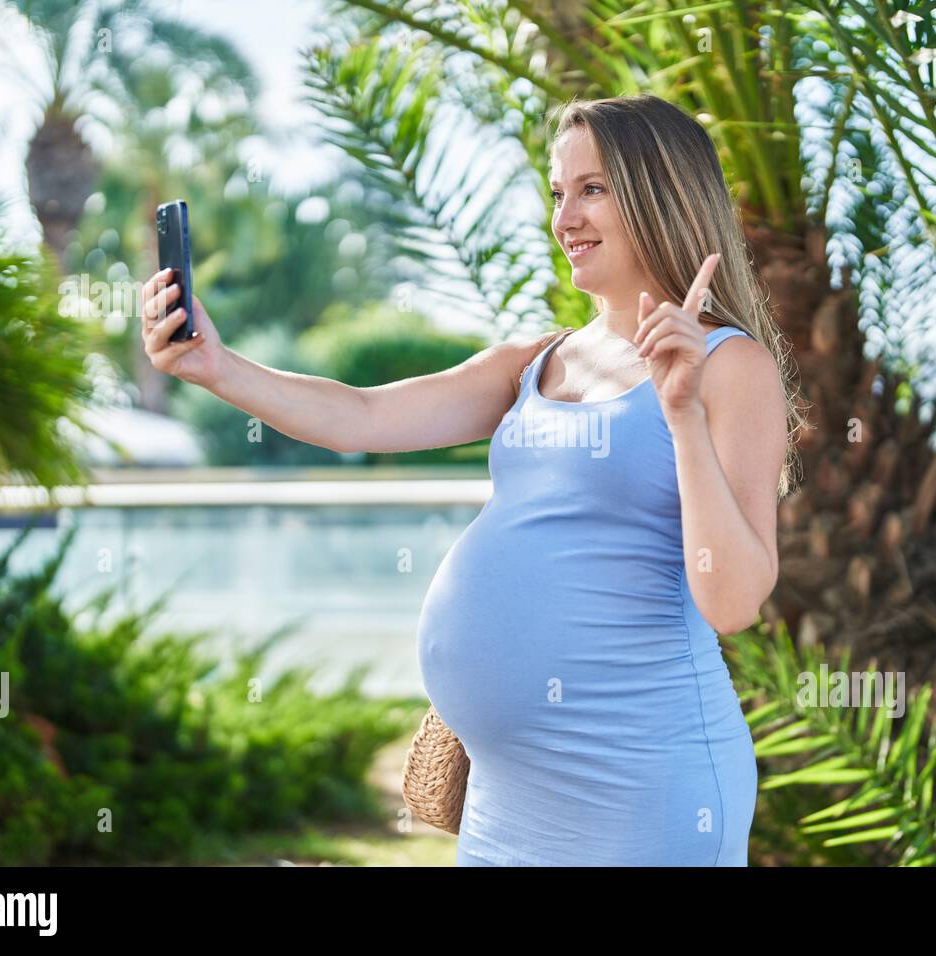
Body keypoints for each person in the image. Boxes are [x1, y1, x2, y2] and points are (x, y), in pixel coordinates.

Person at [141, 91, 803, 866]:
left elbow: (732, 602)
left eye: (593, 190)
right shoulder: (535, 361)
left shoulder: (732, 369)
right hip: (506, 799)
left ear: (661, 195)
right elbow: (362, 416)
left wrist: (682, 412)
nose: (565, 221)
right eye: (558, 194)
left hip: (642, 784)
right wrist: (219, 369)